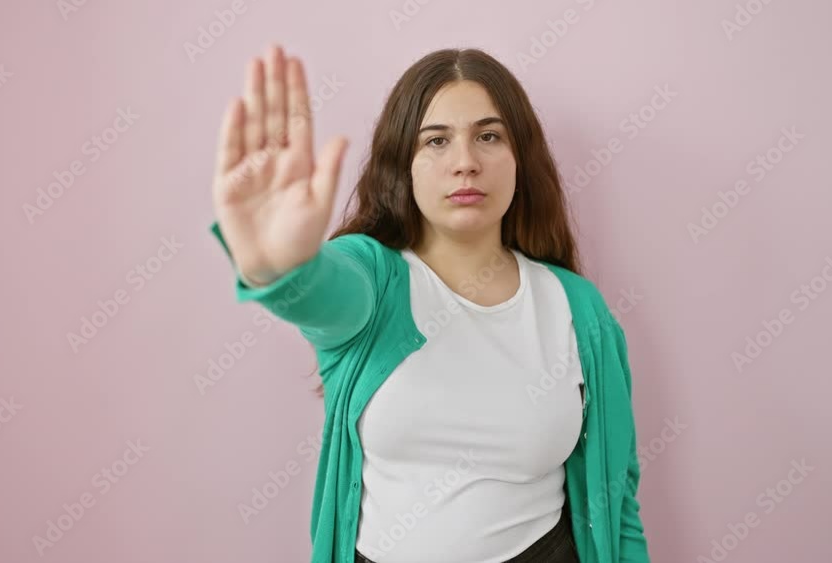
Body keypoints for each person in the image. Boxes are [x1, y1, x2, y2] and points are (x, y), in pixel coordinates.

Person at [208, 43, 650, 563]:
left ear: (520, 160)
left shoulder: (578, 308)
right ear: (404, 164)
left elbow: (618, 504)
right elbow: (320, 295)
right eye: (436, 141)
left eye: (488, 136)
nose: (465, 163)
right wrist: (277, 266)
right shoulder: (374, 277)